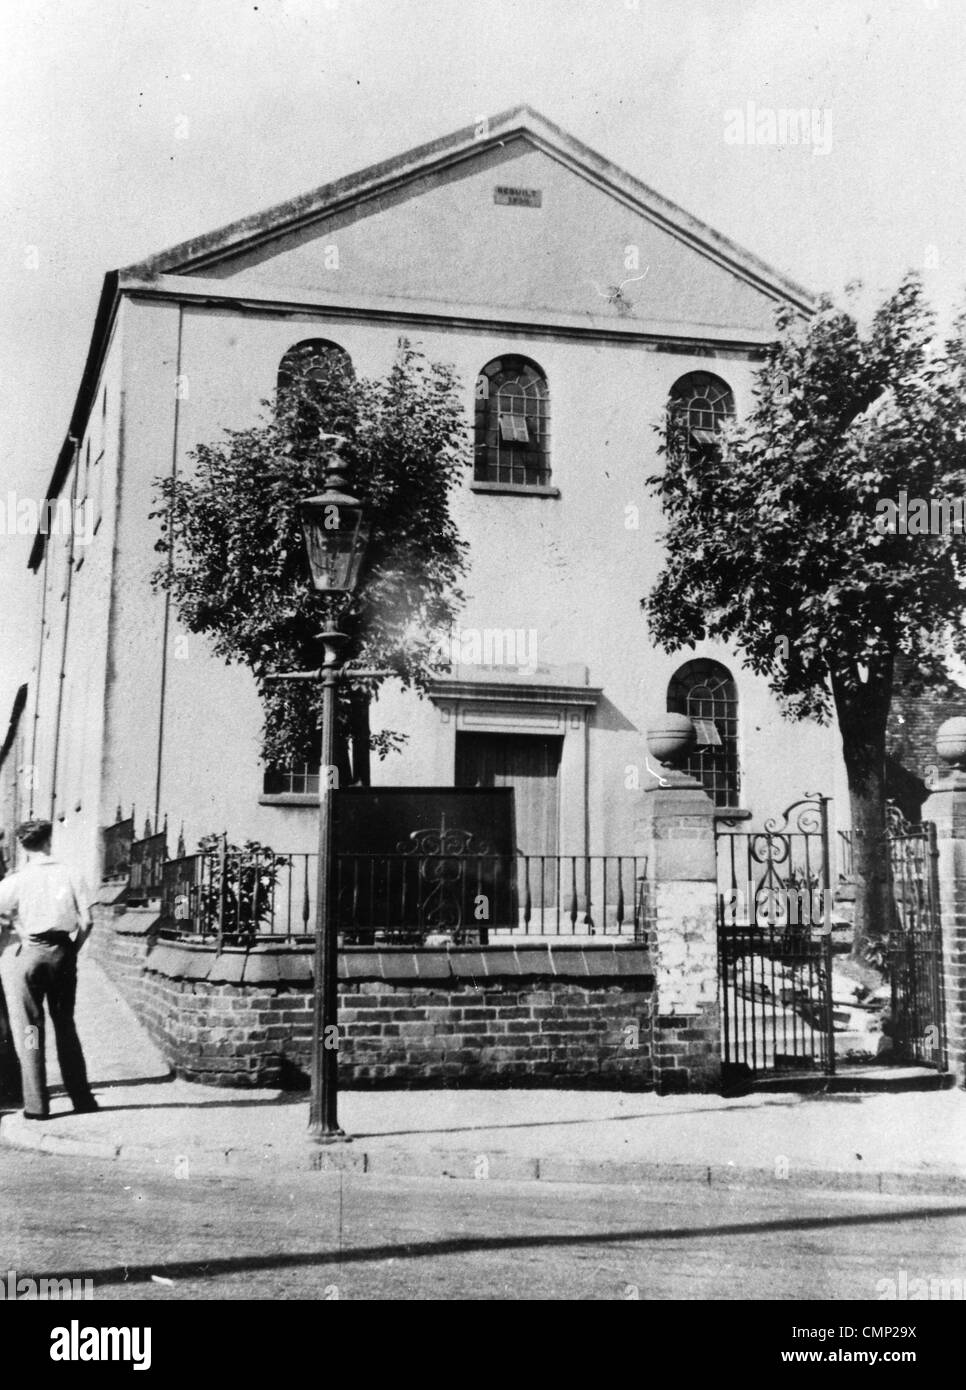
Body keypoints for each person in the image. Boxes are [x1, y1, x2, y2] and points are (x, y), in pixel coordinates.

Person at [0, 819, 98, 1120]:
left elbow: (2, 916)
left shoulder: (15, 881)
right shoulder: (71, 873)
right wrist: (72, 950)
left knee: (30, 1028)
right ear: (48, 841)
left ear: (22, 846)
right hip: (63, 953)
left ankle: (37, 1105)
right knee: (65, 1024)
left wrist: (16, 929)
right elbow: (87, 921)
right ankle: (81, 1099)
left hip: (29, 955)